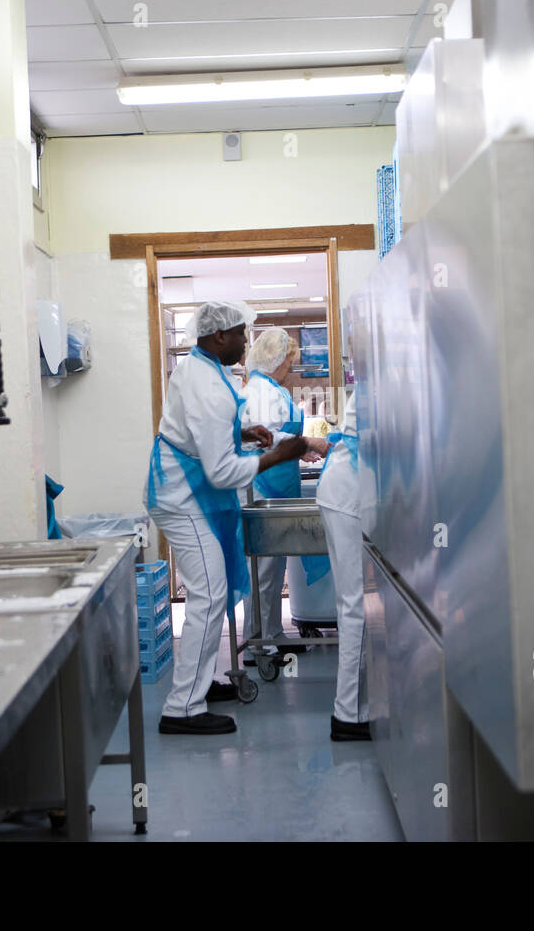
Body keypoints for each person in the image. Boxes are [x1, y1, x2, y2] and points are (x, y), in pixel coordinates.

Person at [145, 301, 308, 735]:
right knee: (210, 594)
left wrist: (239, 433)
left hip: (185, 489)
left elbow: (191, 429)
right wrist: (277, 455)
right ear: (219, 336)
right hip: (182, 497)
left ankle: (195, 685)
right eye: (240, 333)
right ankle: (181, 709)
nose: (245, 342)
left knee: (211, 593)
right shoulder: (209, 384)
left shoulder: (200, 368)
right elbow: (220, 471)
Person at [240, 329, 331, 662]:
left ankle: (272, 632)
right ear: (275, 359)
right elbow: (265, 437)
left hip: (277, 481)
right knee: (262, 568)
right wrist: (307, 444)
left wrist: (299, 452)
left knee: (273, 565)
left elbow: (278, 437)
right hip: (264, 484)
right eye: (289, 362)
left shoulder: (271, 389)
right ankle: (255, 644)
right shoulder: (260, 391)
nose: (290, 368)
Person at [316, 388, 370, 741]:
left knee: (351, 606)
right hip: (347, 496)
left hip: (342, 490)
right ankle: (348, 715)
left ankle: (353, 707)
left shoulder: (381, 372)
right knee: (355, 608)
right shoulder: (385, 373)